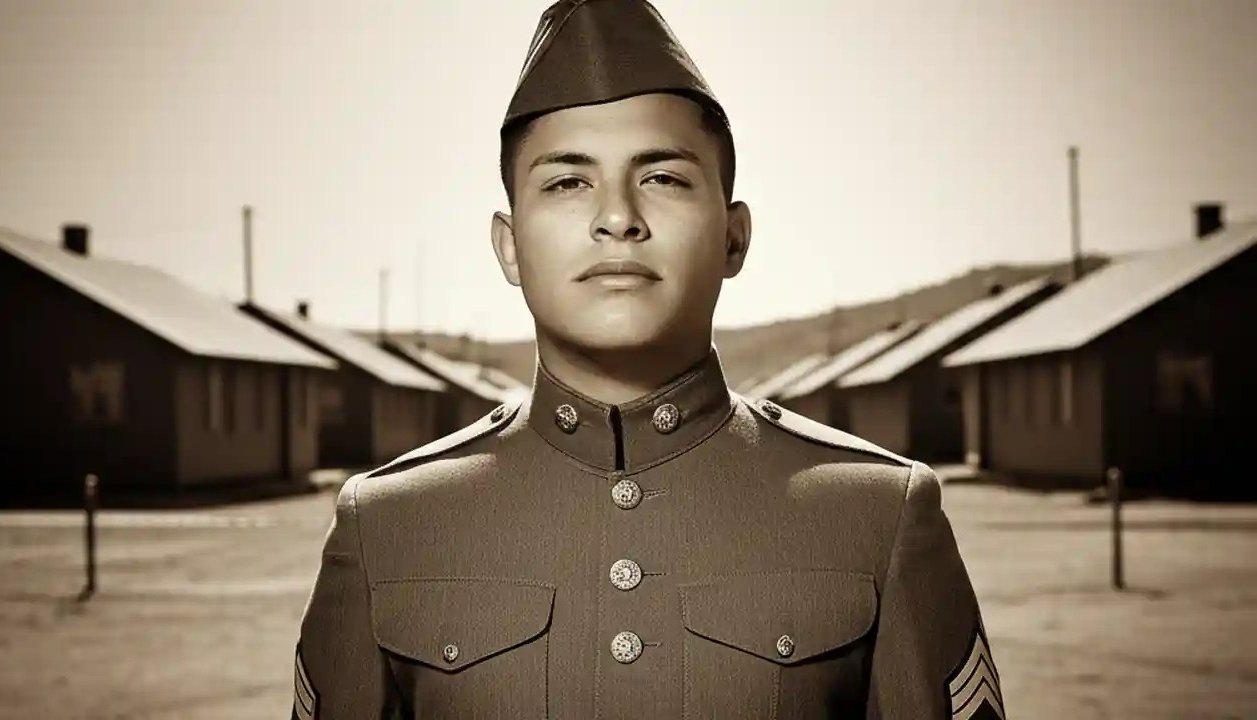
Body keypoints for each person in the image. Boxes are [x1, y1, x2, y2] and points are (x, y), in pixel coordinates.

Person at [290, 1, 1005, 718]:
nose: (617, 216)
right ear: (510, 245)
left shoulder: (878, 512)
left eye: (662, 177)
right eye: (568, 182)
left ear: (734, 236)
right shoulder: (386, 527)